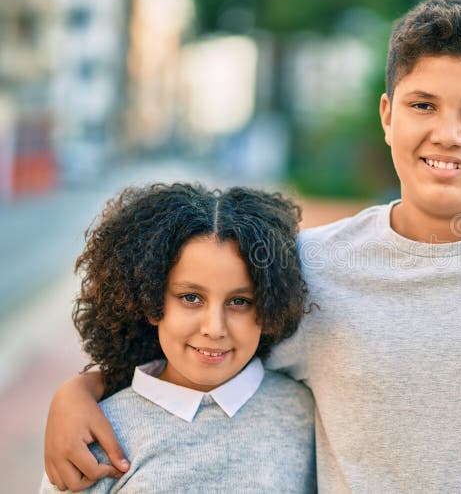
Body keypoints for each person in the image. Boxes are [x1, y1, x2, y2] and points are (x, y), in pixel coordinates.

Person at [44, 0, 461, 493]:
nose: (447, 133)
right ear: (387, 115)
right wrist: (84, 392)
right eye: (423, 104)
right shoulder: (312, 270)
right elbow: (202, 353)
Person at [40, 184, 315, 493]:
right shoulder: (96, 434)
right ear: (152, 302)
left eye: (239, 301)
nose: (214, 328)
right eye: (191, 297)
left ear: (269, 306)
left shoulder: (306, 414)